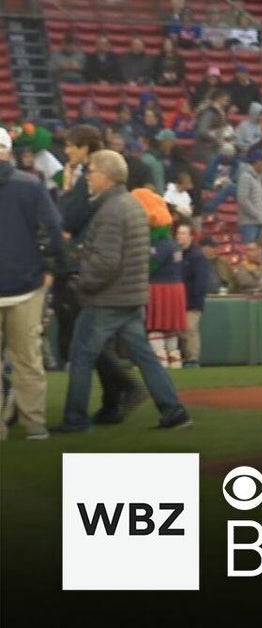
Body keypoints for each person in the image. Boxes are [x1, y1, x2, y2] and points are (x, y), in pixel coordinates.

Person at [52, 150, 191, 433]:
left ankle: (75, 419)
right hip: (131, 295)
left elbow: (106, 262)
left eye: (91, 171)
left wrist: (82, 281)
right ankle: (174, 411)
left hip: (107, 298)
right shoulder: (131, 205)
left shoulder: (112, 210)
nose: (88, 177)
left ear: (106, 176)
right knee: (145, 357)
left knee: (81, 356)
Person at [55, 125, 145, 423]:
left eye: (71, 145)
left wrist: (66, 189)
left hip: (83, 266)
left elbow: (67, 220)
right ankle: (112, 401)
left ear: (85, 148)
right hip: (92, 264)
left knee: (81, 341)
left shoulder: (87, 180)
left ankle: (125, 388)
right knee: (97, 340)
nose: (67, 150)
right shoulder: (95, 179)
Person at [0, 129, 63, 441]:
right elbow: (51, 229)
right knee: (28, 361)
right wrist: (52, 267)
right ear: (8, 151)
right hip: (26, 286)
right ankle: (34, 424)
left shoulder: (30, 184)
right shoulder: (31, 184)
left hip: (23, 284)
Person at [134, 188, 187, 369]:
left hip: (159, 287)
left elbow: (149, 266)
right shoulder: (172, 243)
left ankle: (160, 359)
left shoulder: (161, 244)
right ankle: (174, 358)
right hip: (175, 287)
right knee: (169, 327)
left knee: (156, 325)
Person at [177, 222, 208, 367]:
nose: (179, 236)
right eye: (178, 233)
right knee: (181, 332)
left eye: (183, 233)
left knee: (190, 329)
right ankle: (184, 358)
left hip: (192, 300)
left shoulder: (197, 256)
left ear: (190, 236)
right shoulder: (175, 253)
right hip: (178, 300)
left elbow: (200, 280)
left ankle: (193, 359)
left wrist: (196, 300)